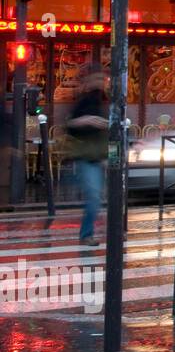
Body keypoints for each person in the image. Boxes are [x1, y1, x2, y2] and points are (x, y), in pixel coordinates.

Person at [66, 67, 109, 243]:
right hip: (87, 157)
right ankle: (86, 235)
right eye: (97, 79)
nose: (101, 82)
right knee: (94, 197)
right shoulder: (84, 102)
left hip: (97, 156)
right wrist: (88, 120)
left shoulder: (103, 102)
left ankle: (90, 233)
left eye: (103, 79)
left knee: (98, 197)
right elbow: (70, 125)